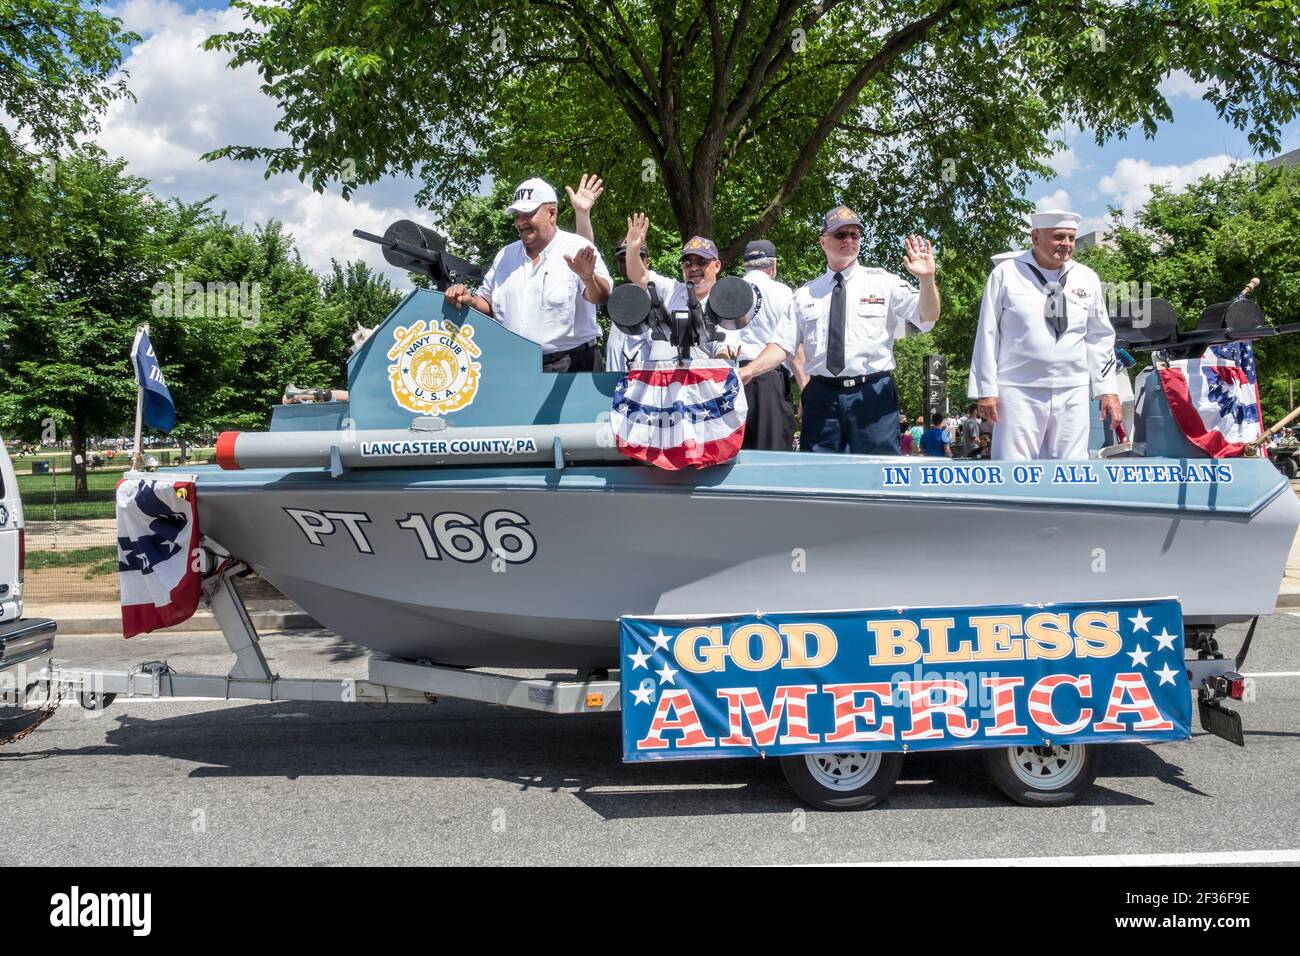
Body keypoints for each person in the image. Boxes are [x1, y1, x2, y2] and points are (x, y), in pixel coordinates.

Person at [739, 206, 939, 454]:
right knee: (819, 477)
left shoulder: (882, 282)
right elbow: (781, 345)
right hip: (822, 396)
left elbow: (928, 316)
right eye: (840, 235)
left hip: (872, 393)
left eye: (855, 235)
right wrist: (748, 370)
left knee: (877, 474)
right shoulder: (805, 294)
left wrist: (927, 280)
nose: (849, 240)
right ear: (823, 242)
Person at [969, 209, 1121, 460]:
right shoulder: (1006, 273)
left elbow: (1099, 336)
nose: (1066, 244)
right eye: (1059, 237)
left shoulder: (1087, 277)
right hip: (1018, 389)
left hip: (1073, 388)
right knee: (1013, 469)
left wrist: (1108, 389)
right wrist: (987, 390)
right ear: (1036, 237)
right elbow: (987, 334)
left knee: (1073, 469)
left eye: (1071, 238)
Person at [445, 177, 612, 372]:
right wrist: (470, 300)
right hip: (517, 368)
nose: (521, 222)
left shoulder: (577, 247)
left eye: (528, 214)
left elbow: (602, 296)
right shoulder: (505, 255)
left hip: (573, 367)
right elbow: (489, 303)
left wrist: (588, 278)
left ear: (552, 213)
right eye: (517, 215)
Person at [610, 214, 768, 368]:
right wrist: (633, 248)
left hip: (699, 385)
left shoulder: (725, 302)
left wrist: (722, 365)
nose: (694, 268)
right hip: (658, 382)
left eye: (702, 261)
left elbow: (723, 351)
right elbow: (638, 275)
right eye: (688, 262)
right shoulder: (671, 289)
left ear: (717, 265)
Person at [738, 239, 797, 450]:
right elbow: (792, 346)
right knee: (771, 456)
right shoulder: (782, 292)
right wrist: (806, 388)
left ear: (745, 265)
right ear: (773, 266)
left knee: (733, 454)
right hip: (770, 378)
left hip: (733, 378)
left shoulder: (728, 291)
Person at [606, 233, 676, 372]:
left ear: (647, 262)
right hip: (614, 386)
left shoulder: (654, 300)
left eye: (635, 258)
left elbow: (662, 359)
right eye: (622, 259)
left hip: (639, 387)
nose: (628, 263)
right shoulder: (619, 296)